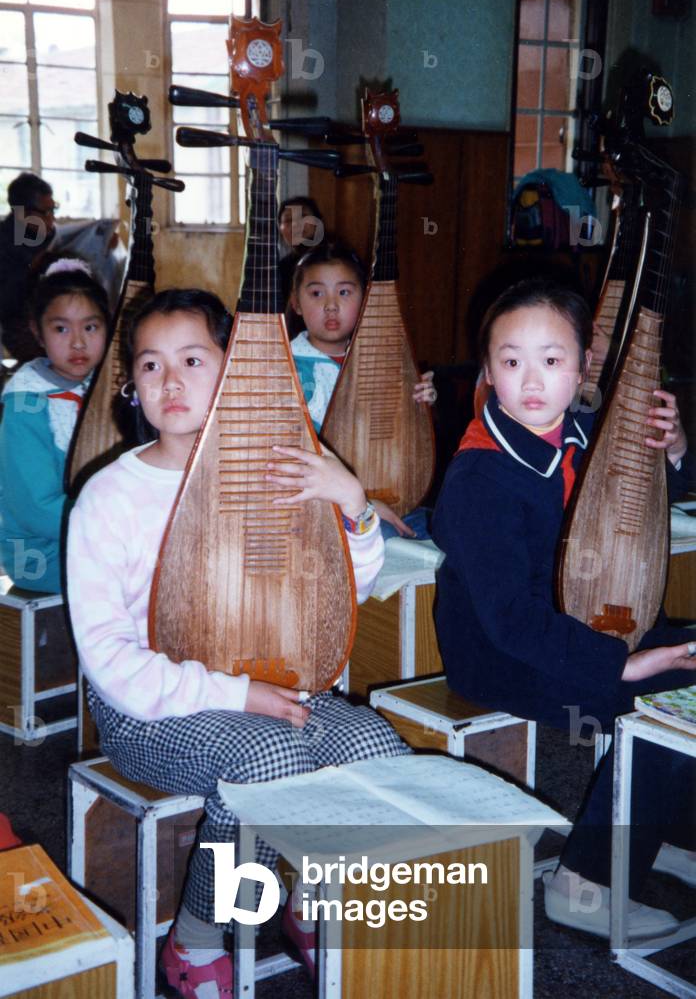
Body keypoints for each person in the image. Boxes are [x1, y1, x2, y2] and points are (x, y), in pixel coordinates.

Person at [66, 288, 409, 997]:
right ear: (131, 385)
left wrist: (351, 501)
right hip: (152, 713)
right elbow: (109, 659)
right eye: (152, 365)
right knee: (268, 757)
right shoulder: (108, 496)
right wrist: (236, 694)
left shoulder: (279, 467)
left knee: (377, 751)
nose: (172, 381)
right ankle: (194, 936)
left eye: (194, 359)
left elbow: (351, 588)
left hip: (277, 684)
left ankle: (308, 904)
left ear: (235, 371)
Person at [432, 278, 696, 940]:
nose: (530, 379)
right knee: (668, 695)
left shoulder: (582, 432)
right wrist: (622, 666)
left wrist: (674, 451)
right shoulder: (479, 475)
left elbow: (659, 497)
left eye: (552, 360)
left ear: (582, 368)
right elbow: (511, 621)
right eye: (511, 359)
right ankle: (583, 884)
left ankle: (658, 828)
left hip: (574, 625)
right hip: (500, 653)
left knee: (687, 665)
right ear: (488, 371)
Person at [289, 241, 437, 539]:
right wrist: (364, 504)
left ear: (366, 299)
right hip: (326, 503)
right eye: (316, 293)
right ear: (296, 303)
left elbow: (396, 434)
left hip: (385, 487)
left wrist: (420, 402)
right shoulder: (288, 365)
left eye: (344, 292)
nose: (331, 305)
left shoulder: (379, 357)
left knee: (440, 527)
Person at [0, 259, 108, 593]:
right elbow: (36, 508)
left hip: (94, 534)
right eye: (61, 329)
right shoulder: (25, 402)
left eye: (91, 328)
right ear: (38, 331)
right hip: (41, 552)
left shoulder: (105, 386)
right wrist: (118, 526)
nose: (78, 343)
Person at [0, 173, 58, 362]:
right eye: (46, 212)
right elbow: (7, 304)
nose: (52, 220)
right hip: (19, 325)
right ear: (22, 213)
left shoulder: (49, 235)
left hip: (57, 316)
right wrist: (30, 268)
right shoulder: (4, 241)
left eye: (53, 211)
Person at [277, 195, 324, 313]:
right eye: (288, 220)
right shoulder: (281, 268)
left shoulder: (337, 258)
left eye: (303, 216)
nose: (296, 224)